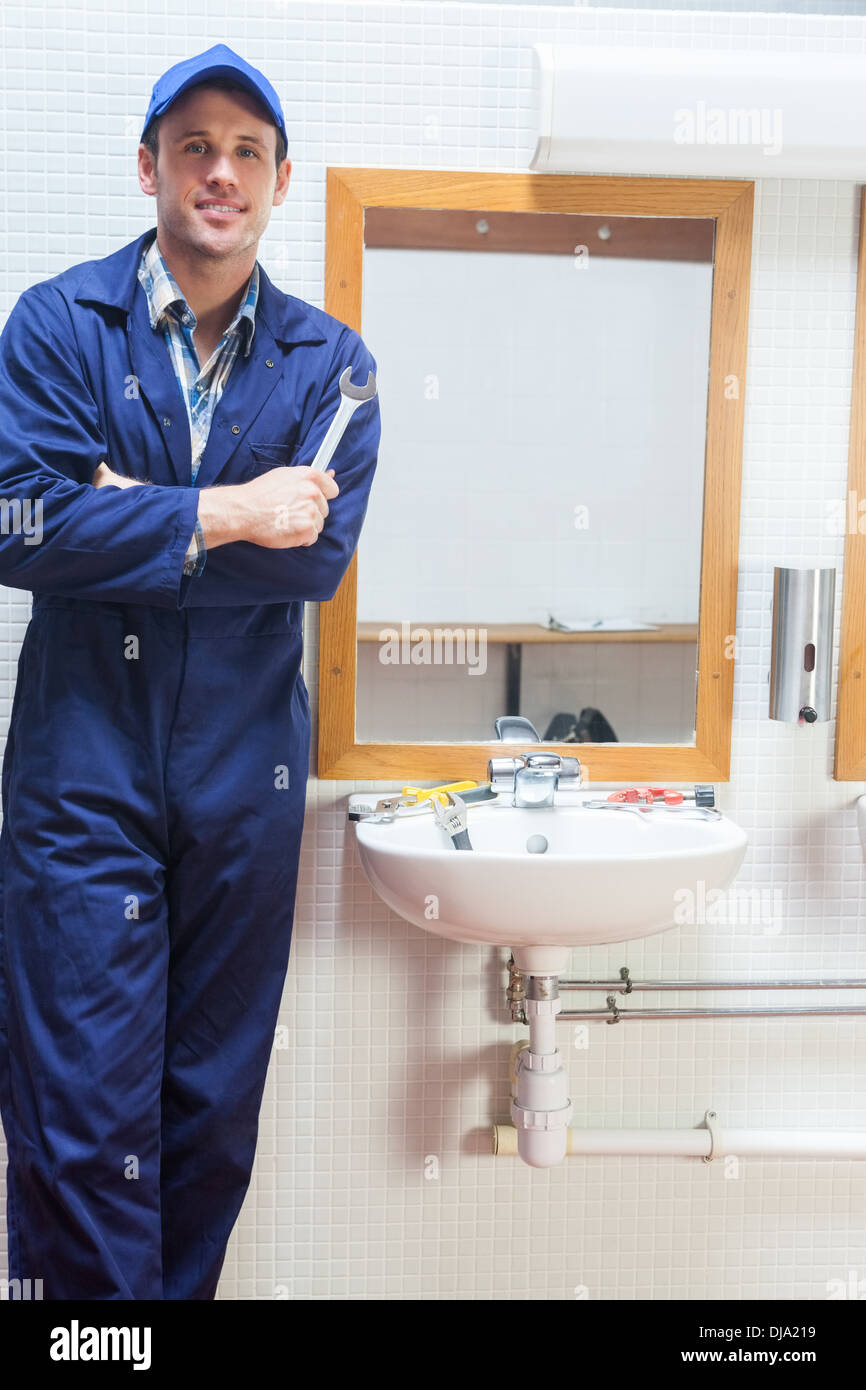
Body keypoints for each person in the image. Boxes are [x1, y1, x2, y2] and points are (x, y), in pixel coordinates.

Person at [0, 43, 380, 1300]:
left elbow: (311, 565)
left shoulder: (335, 367)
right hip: (83, 772)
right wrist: (229, 511)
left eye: (248, 153)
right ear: (151, 164)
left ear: (279, 182)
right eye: (196, 147)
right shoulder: (59, 322)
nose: (221, 172)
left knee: (209, 1106)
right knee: (76, 1108)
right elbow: (18, 525)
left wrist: (129, 512)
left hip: (241, 776)